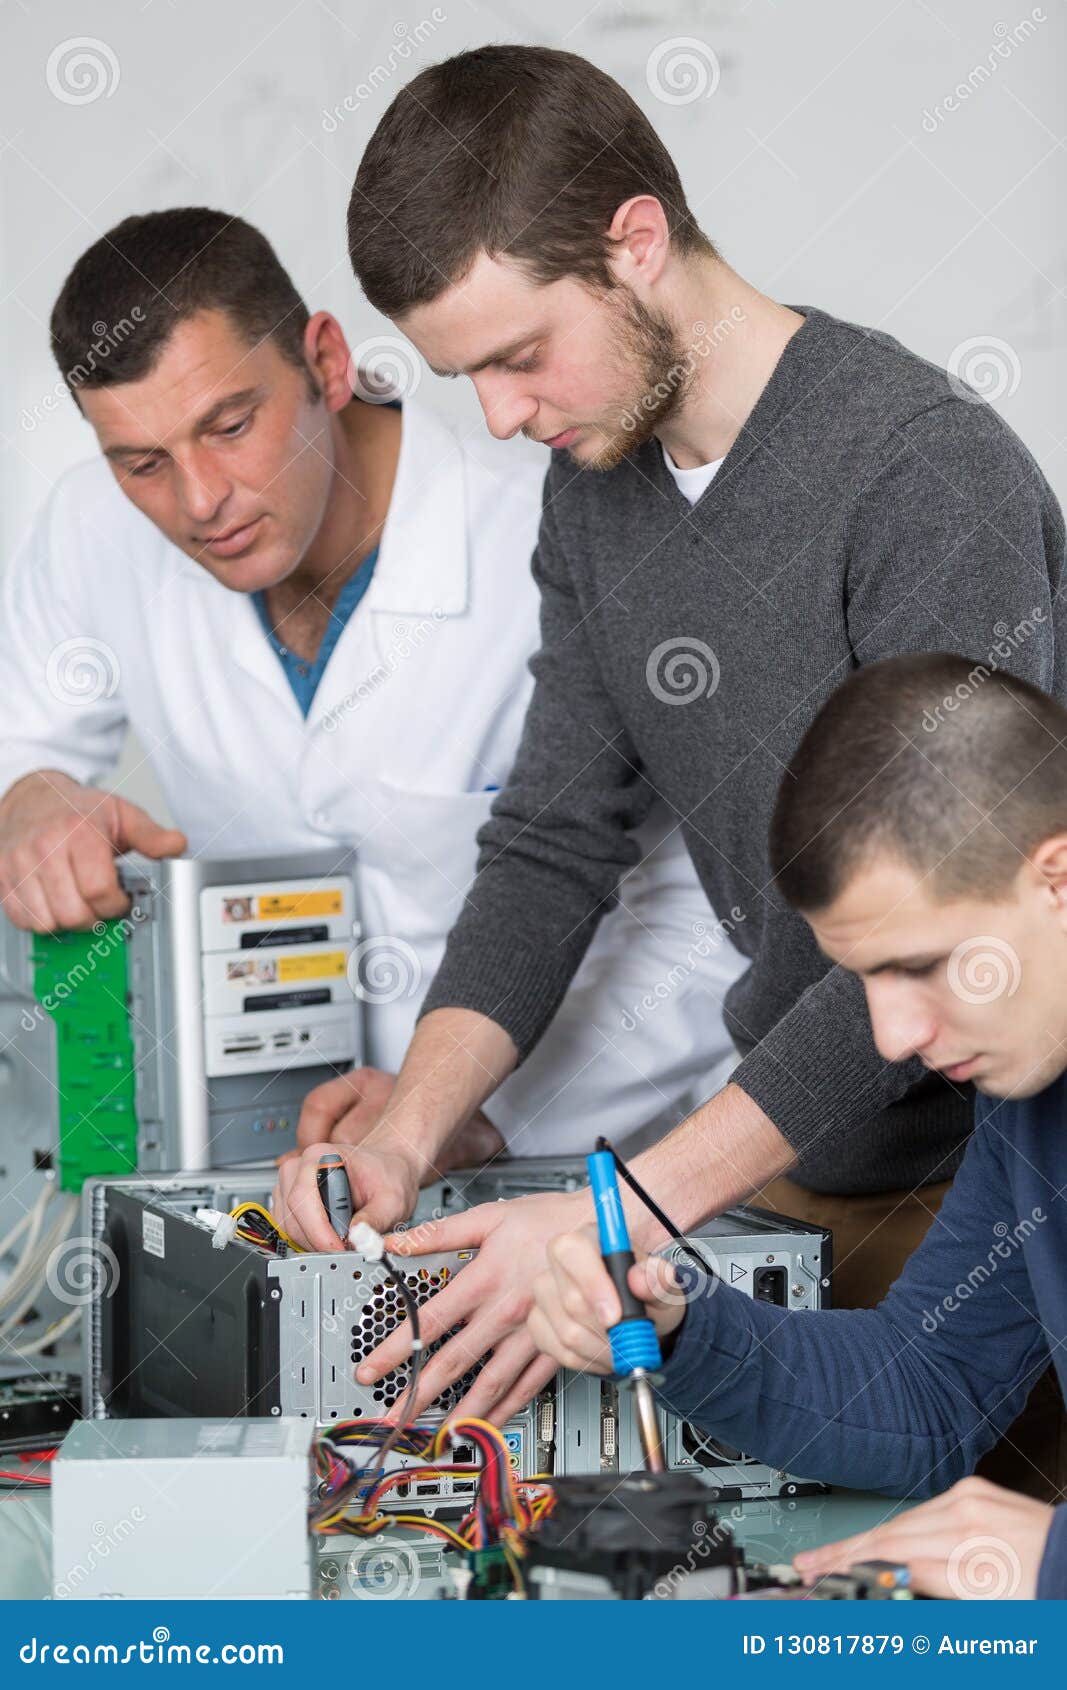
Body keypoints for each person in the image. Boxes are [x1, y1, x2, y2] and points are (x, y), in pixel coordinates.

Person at [273, 44, 1065, 1446]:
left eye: (517, 355)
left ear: (634, 241)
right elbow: (548, 840)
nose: (499, 415)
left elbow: (957, 905)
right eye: (465, 375)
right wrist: (406, 1128)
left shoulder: (921, 475)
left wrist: (622, 1208)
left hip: (979, 1185)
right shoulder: (592, 497)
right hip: (781, 1177)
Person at [0, 207, 743, 1169]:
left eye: (230, 426)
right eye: (143, 463)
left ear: (326, 362)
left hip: (586, 1158)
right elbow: (25, 742)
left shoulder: (547, 533)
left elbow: (710, 912)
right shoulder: (90, 530)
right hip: (283, 1166)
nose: (199, 500)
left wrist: (484, 1114)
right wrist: (27, 799)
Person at [527, 653, 1067, 1598]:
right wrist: (679, 1328)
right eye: (864, 980)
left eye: (919, 966)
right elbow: (929, 1389)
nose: (892, 1039)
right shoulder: (1028, 1093)